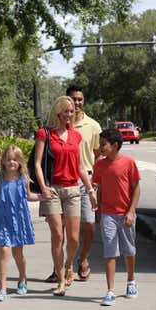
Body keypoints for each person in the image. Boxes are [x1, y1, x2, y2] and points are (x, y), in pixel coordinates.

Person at [33, 95, 96, 296]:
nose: (70, 115)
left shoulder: (76, 137)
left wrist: (91, 191)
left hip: (73, 191)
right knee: (58, 236)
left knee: (74, 238)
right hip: (52, 190)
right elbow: (37, 163)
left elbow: (81, 168)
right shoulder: (45, 134)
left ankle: (69, 265)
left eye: (72, 111)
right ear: (58, 113)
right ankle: (60, 280)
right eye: (66, 111)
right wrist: (43, 187)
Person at [0, 145, 42, 301]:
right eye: (8, 159)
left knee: (18, 254)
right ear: (3, 161)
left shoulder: (24, 179)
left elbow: (28, 196)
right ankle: (2, 289)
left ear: (20, 162)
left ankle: (22, 278)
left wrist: (42, 196)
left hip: (19, 221)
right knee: (4, 252)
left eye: (15, 159)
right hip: (3, 221)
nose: (11, 162)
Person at [92, 128, 141, 306]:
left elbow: (136, 188)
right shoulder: (99, 164)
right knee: (110, 252)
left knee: (129, 250)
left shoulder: (128, 163)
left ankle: (131, 281)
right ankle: (110, 290)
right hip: (108, 214)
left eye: (103, 144)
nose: (100, 147)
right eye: (100, 143)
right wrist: (98, 212)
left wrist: (131, 211)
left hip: (126, 213)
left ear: (115, 145)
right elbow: (99, 188)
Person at [65, 85, 101, 281]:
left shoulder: (93, 126)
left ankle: (84, 258)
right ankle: (65, 266)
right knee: (66, 228)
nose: (77, 103)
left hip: (86, 179)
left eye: (80, 99)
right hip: (64, 180)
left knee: (89, 223)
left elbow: (98, 155)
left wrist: (96, 182)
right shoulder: (61, 123)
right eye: (73, 99)